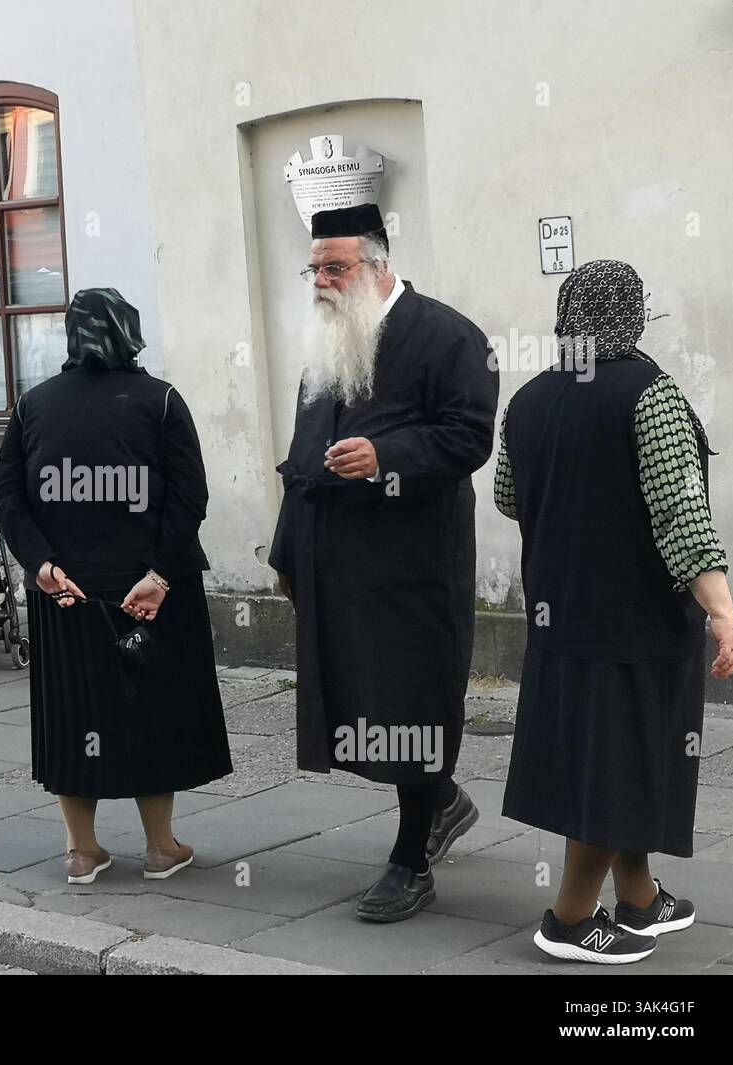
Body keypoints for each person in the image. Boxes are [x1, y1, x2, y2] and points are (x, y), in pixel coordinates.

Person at [495, 259, 733, 963]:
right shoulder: (650, 394)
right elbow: (681, 513)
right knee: (619, 765)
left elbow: (510, 498)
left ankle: (638, 896)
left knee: (614, 758)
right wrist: (723, 612)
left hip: (559, 613)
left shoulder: (531, 398)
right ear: (633, 316)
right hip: (634, 622)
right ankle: (570, 916)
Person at [270, 203, 499, 921]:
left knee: (412, 700)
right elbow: (304, 450)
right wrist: (287, 548)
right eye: (315, 269)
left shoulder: (448, 336)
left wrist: (386, 457)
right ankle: (443, 800)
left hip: (413, 565)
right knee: (361, 704)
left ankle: (410, 859)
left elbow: (469, 438)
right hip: (335, 558)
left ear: (375, 264)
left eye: (334, 268)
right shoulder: (330, 336)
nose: (322, 282)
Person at [0, 287, 232, 884]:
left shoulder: (33, 406)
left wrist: (41, 565)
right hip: (152, 596)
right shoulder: (162, 401)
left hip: (67, 593)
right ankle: (159, 848)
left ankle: (81, 852)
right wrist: (158, 574)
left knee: (76, 717)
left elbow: (5, 499)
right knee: (153, 710)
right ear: (129, 333)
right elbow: (188, 498)